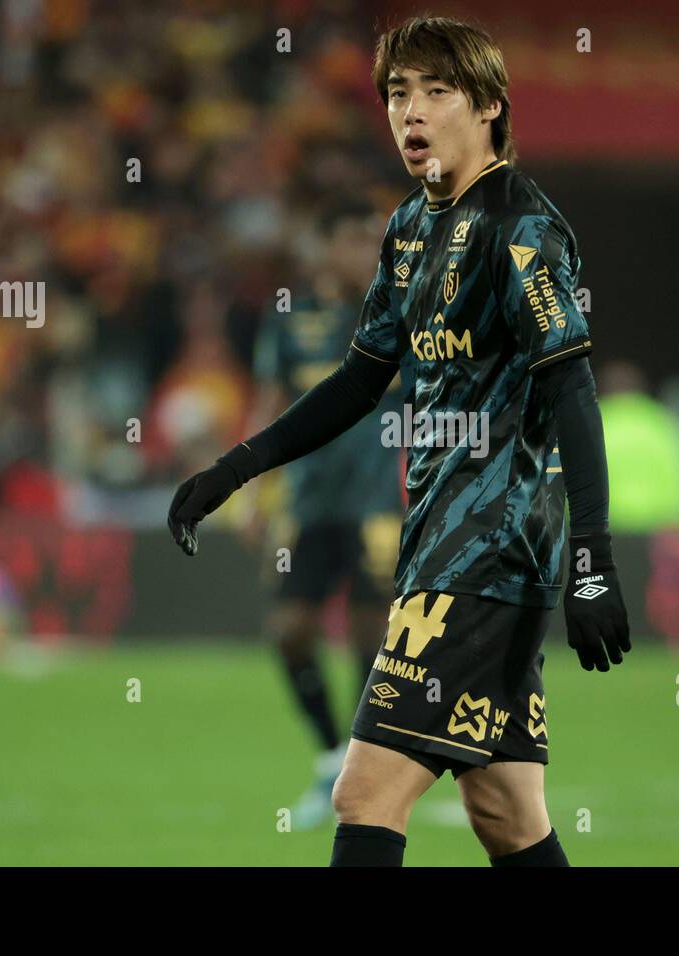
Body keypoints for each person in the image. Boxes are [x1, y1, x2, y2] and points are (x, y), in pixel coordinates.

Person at [169, 15, 630, 866]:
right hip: (440, 545)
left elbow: (570, 382)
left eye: (436, 92)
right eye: (395, 93)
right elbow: (356, 381)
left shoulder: (520, 227)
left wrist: (593, 558)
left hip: (487, 557)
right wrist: (235, 469)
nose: (409, 112)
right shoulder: (412, 228)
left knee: (366, 790)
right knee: (505, 808)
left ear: (489, 105)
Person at [245, 198, 404, 828]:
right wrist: (253, 490)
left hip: (377, 503)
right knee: (289, 632)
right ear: (324, 251)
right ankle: (330, 751)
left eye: (372, 244)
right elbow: (269, 402)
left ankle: (362, 774)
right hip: (308, 503)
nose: (366, 256)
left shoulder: (398, 317)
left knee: (372, 641)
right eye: (353, 243)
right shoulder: (289, 320)